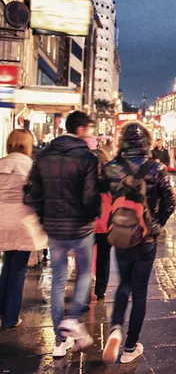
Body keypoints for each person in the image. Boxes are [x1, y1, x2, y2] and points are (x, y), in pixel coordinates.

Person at [25, 111, 100, 358]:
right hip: (81, 227)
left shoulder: (43, 155)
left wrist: (43, 218)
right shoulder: (87, 157)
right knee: (84, 274)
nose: (90, 133)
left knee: (58, 281)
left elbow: (33, 191)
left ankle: (59, 342)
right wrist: (94, 214)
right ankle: (73, 317)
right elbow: (90, 197)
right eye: (88, 129)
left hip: (54, 228)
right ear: (80, 130)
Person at [101, 122, 176, 364]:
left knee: (124, 283)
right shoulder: (156, 168)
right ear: (148, 141)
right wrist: (157, 224)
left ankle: (114, 329)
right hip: (146, 237)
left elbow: (98, 193)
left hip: (121, 233)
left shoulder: (112, 167)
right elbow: (170, 203)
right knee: (140, 290)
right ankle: (130, 347)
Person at [0, 130, 47, 329]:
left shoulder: (1, 163)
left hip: (2, 220)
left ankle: (2, 311)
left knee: (6, 266)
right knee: (18, 269)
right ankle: (10, 318)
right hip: (23, 223)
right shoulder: (31, 167)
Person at [93, 148, 112, 300]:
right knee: (103, 258)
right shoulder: (111, 178)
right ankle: (100, 290)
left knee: (86, 259)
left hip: (89, 223)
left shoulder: (86, 177)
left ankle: (87, 288)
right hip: (106, 223)